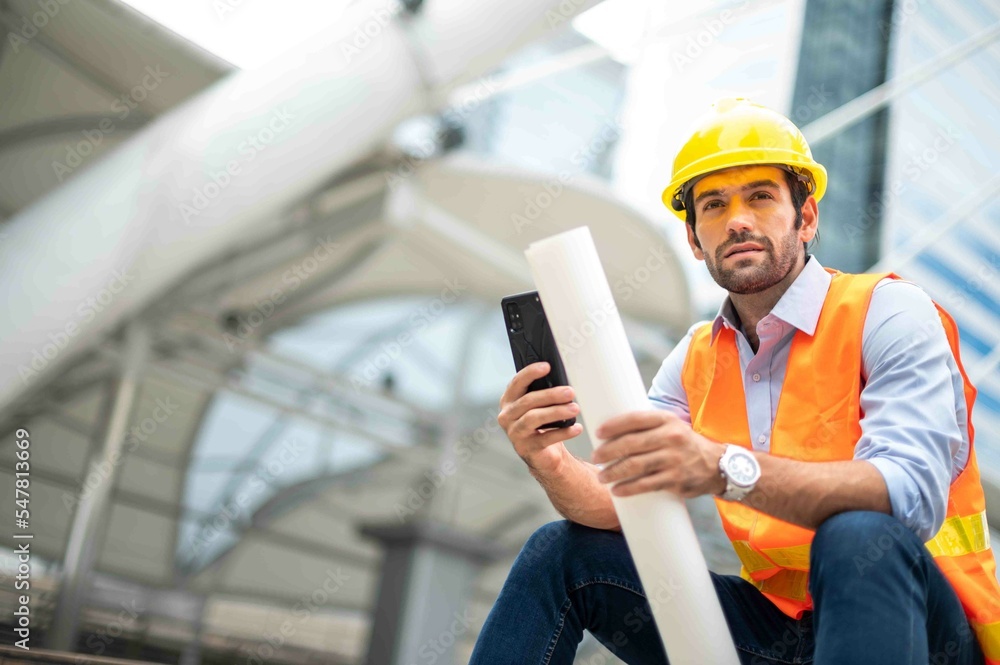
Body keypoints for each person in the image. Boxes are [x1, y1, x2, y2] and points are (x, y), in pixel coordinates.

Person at [469, 98, 1000, 665]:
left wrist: (723, 468)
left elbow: (908, 496)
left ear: (808, 217)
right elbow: (628, 499)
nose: (738, 219)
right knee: (560, 551)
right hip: (779, 631)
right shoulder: (695, 355)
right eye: (714, 205)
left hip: (924, 631)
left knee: (858, 533)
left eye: (761, 197)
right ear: (695, 241)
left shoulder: (889, 311)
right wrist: (549, 460)